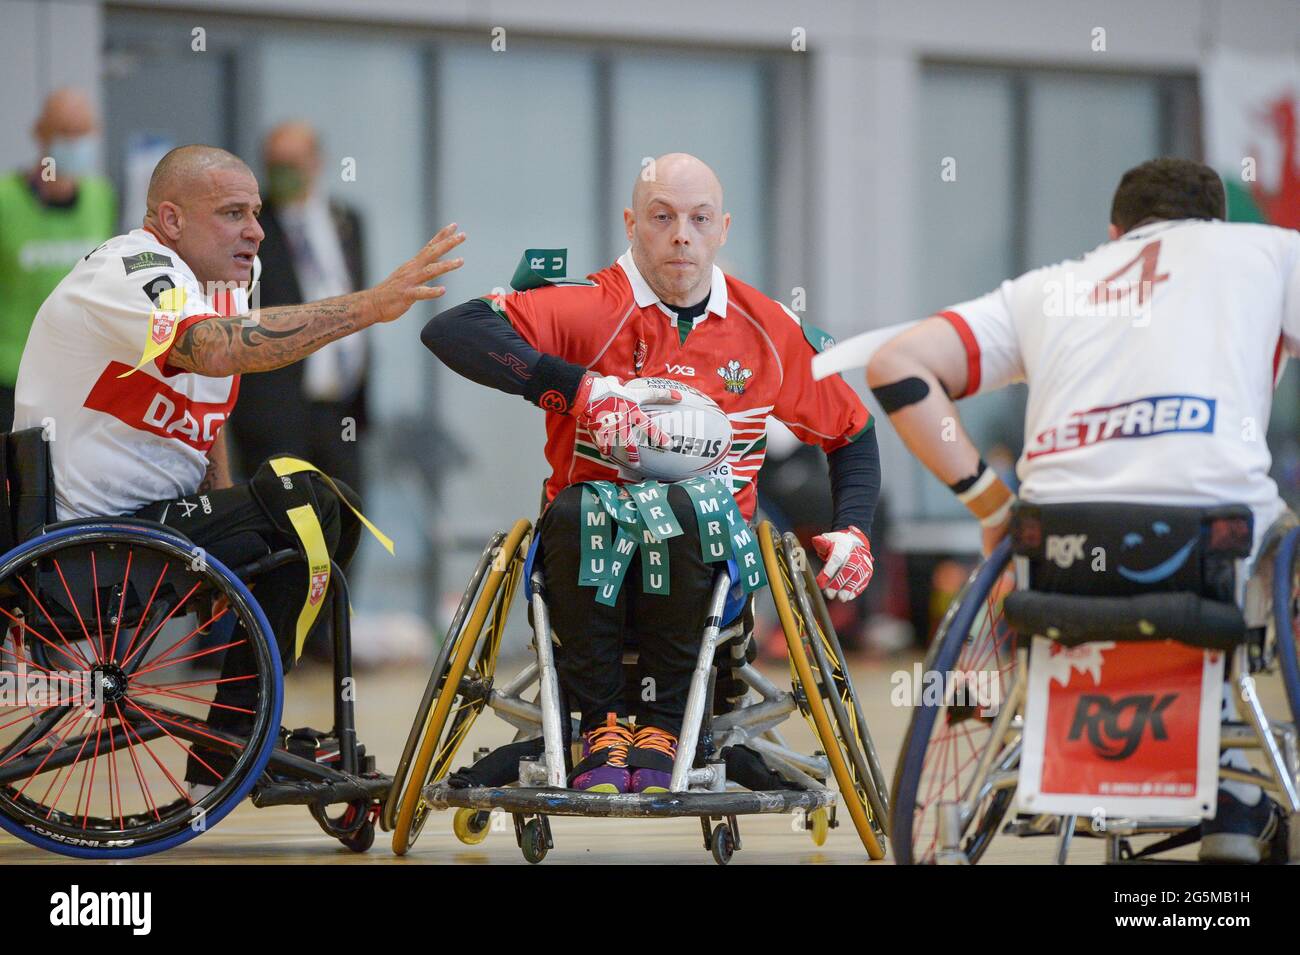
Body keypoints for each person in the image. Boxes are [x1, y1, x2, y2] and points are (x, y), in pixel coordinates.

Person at [865, 157, 1299, 863]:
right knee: (1274, 537)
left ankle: (1223, 795)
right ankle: (1236, 792)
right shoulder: (1270, 251)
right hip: (1212, 542)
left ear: (1114, 232)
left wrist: (991, 503)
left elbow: (895, 365)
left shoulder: (1051, 284)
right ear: (1217, 227)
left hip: (1059, 547)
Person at [422, 153, 880, 793]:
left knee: (691, 504)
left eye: (698, 219)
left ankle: (666, 729)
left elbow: (853, 432)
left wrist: (854, 528)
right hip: (582, 554)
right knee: (585, 506)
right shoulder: (588, 305)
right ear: (633, 224)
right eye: (662, 218)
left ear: (724, 229)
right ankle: (604, 728)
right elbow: (452, 328)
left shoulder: (770, 328)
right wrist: (579, 389)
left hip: (713, 568)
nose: (681, 235)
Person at [13, 143, 464, 790]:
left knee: (305, 516)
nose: (255, 229)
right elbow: (216, 351)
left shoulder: (218, 285)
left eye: (255, 212)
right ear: (169, 219)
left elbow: (205, 412)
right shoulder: (131, 269)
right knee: (304, 497)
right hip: (85, 548)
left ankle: (237, 735)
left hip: (152, 532)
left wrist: (223, 511)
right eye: (232, 213)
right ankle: (237, 743)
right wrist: (366, 306)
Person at [227, 122, 369, 495]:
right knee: (286, 523)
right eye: (274, 164)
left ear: (316, 162)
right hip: (276, 410)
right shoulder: (250, 228)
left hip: (340, 407)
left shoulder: (345, 220)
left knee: (346, 514)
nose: (283, 173)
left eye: (292, 162)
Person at [0, 89, 115, 429]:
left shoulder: (101, 196)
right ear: (40, 133)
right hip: (13, 374)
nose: (76, 143)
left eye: (84, 132)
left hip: (81, 373)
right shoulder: (5, 200)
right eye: (65, 132)